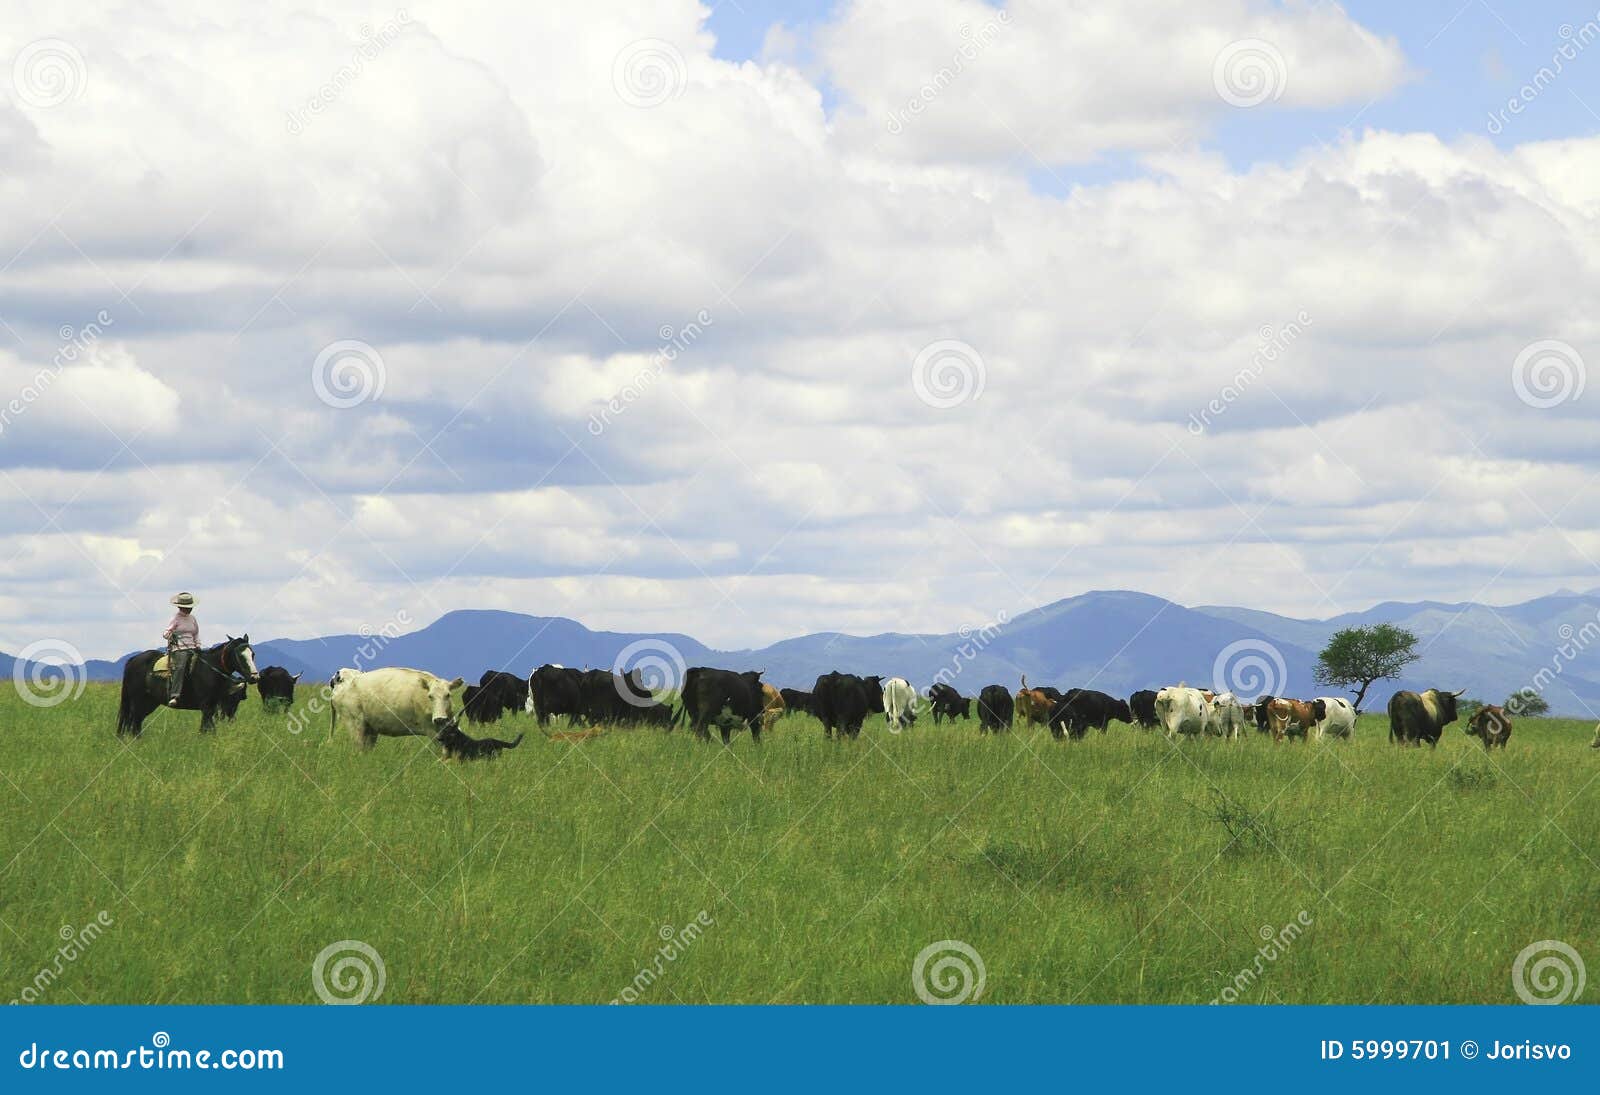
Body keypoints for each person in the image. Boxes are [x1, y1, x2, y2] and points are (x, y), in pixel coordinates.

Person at [163, 592, 200, 707]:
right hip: (179, 648)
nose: (190, 610)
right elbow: (166, 632)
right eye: (187, 607)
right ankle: (175, 695)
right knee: (180, 667)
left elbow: (196, 633)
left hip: (193, 647)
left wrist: (198, 644)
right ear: (181, 607)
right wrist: (170, 635)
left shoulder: (193, 619)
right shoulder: (175, 619)